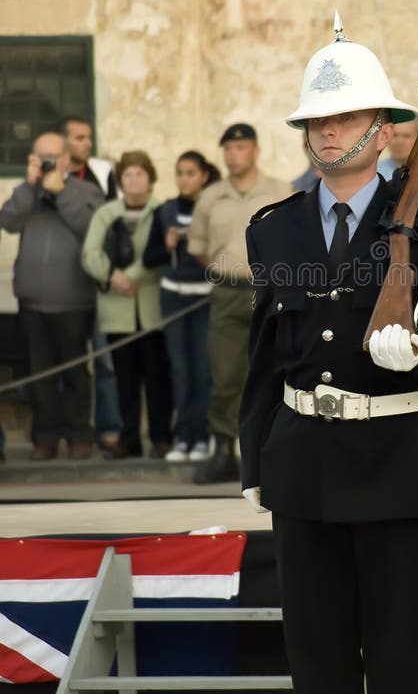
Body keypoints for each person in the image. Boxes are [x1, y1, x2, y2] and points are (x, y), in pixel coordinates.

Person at [239, 18, 418, 694]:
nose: (327, 132)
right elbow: (264, 355)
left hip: (397, 463)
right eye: (317, 120)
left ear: (383, 127)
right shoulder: (273, 228)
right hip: (303, 464)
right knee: (318, 665)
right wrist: (255, 458)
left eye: (345, 118)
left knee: (401, 661)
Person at [187, 123, 290, 484]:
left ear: (256, 151)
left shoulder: (280, 192)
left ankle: (268, 451)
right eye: (228, 149)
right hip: (227, 292)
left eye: (241, 148)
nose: (234, 155)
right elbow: (199, 249)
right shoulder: (210, 197)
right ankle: (222, 449)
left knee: (273, 368)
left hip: (270, 292)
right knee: (226, 373)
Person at [0, 131, 103, 459]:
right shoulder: (26, 191)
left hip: (74, 299)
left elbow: (91, 229)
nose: (46, 162)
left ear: (65, 159)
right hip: (32, 301)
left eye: (52, 156)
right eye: (40, 155)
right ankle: (44, 438)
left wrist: (61, 194)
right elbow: (9, 221)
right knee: (39, 375)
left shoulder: (85, 191)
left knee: (75, 373)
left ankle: (79, 436)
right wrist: (31, 186)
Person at [81, 151, 173, 459]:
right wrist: (112, 276)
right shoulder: (106, 213)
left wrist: (131, 275)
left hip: (153, 311)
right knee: (125, 380)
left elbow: (160, 253)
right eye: (128, 175)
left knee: (158, 378)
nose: (134, 180)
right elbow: (90, 253)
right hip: (116, 311)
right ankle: (128, 439)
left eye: (140, 174)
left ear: (150, 178)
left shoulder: (162, 211)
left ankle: (161, 437)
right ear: (120, 180)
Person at [143, 151, 220, 462]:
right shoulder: (165, 211)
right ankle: (183, 436)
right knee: (180, 370)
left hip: (204, 298)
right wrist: (168, 246)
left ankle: (202, 436)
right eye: (180, 173)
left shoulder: (213, 208)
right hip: (174, 297)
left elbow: (227, 250)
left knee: (202, 370)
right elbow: (150, 258)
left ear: (203, 176)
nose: (184, 179)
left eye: (190, 173)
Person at [59, 115, 121, 452]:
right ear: (64, 142)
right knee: (66, 364)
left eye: (88, 137)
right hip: (64, 287)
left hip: (100, 283)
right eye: (80, 137)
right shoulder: (53, 176)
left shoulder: (103, 172)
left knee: (106, 361)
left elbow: (110, 222)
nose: (88, 143)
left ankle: (110, 430)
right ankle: (70, 432)